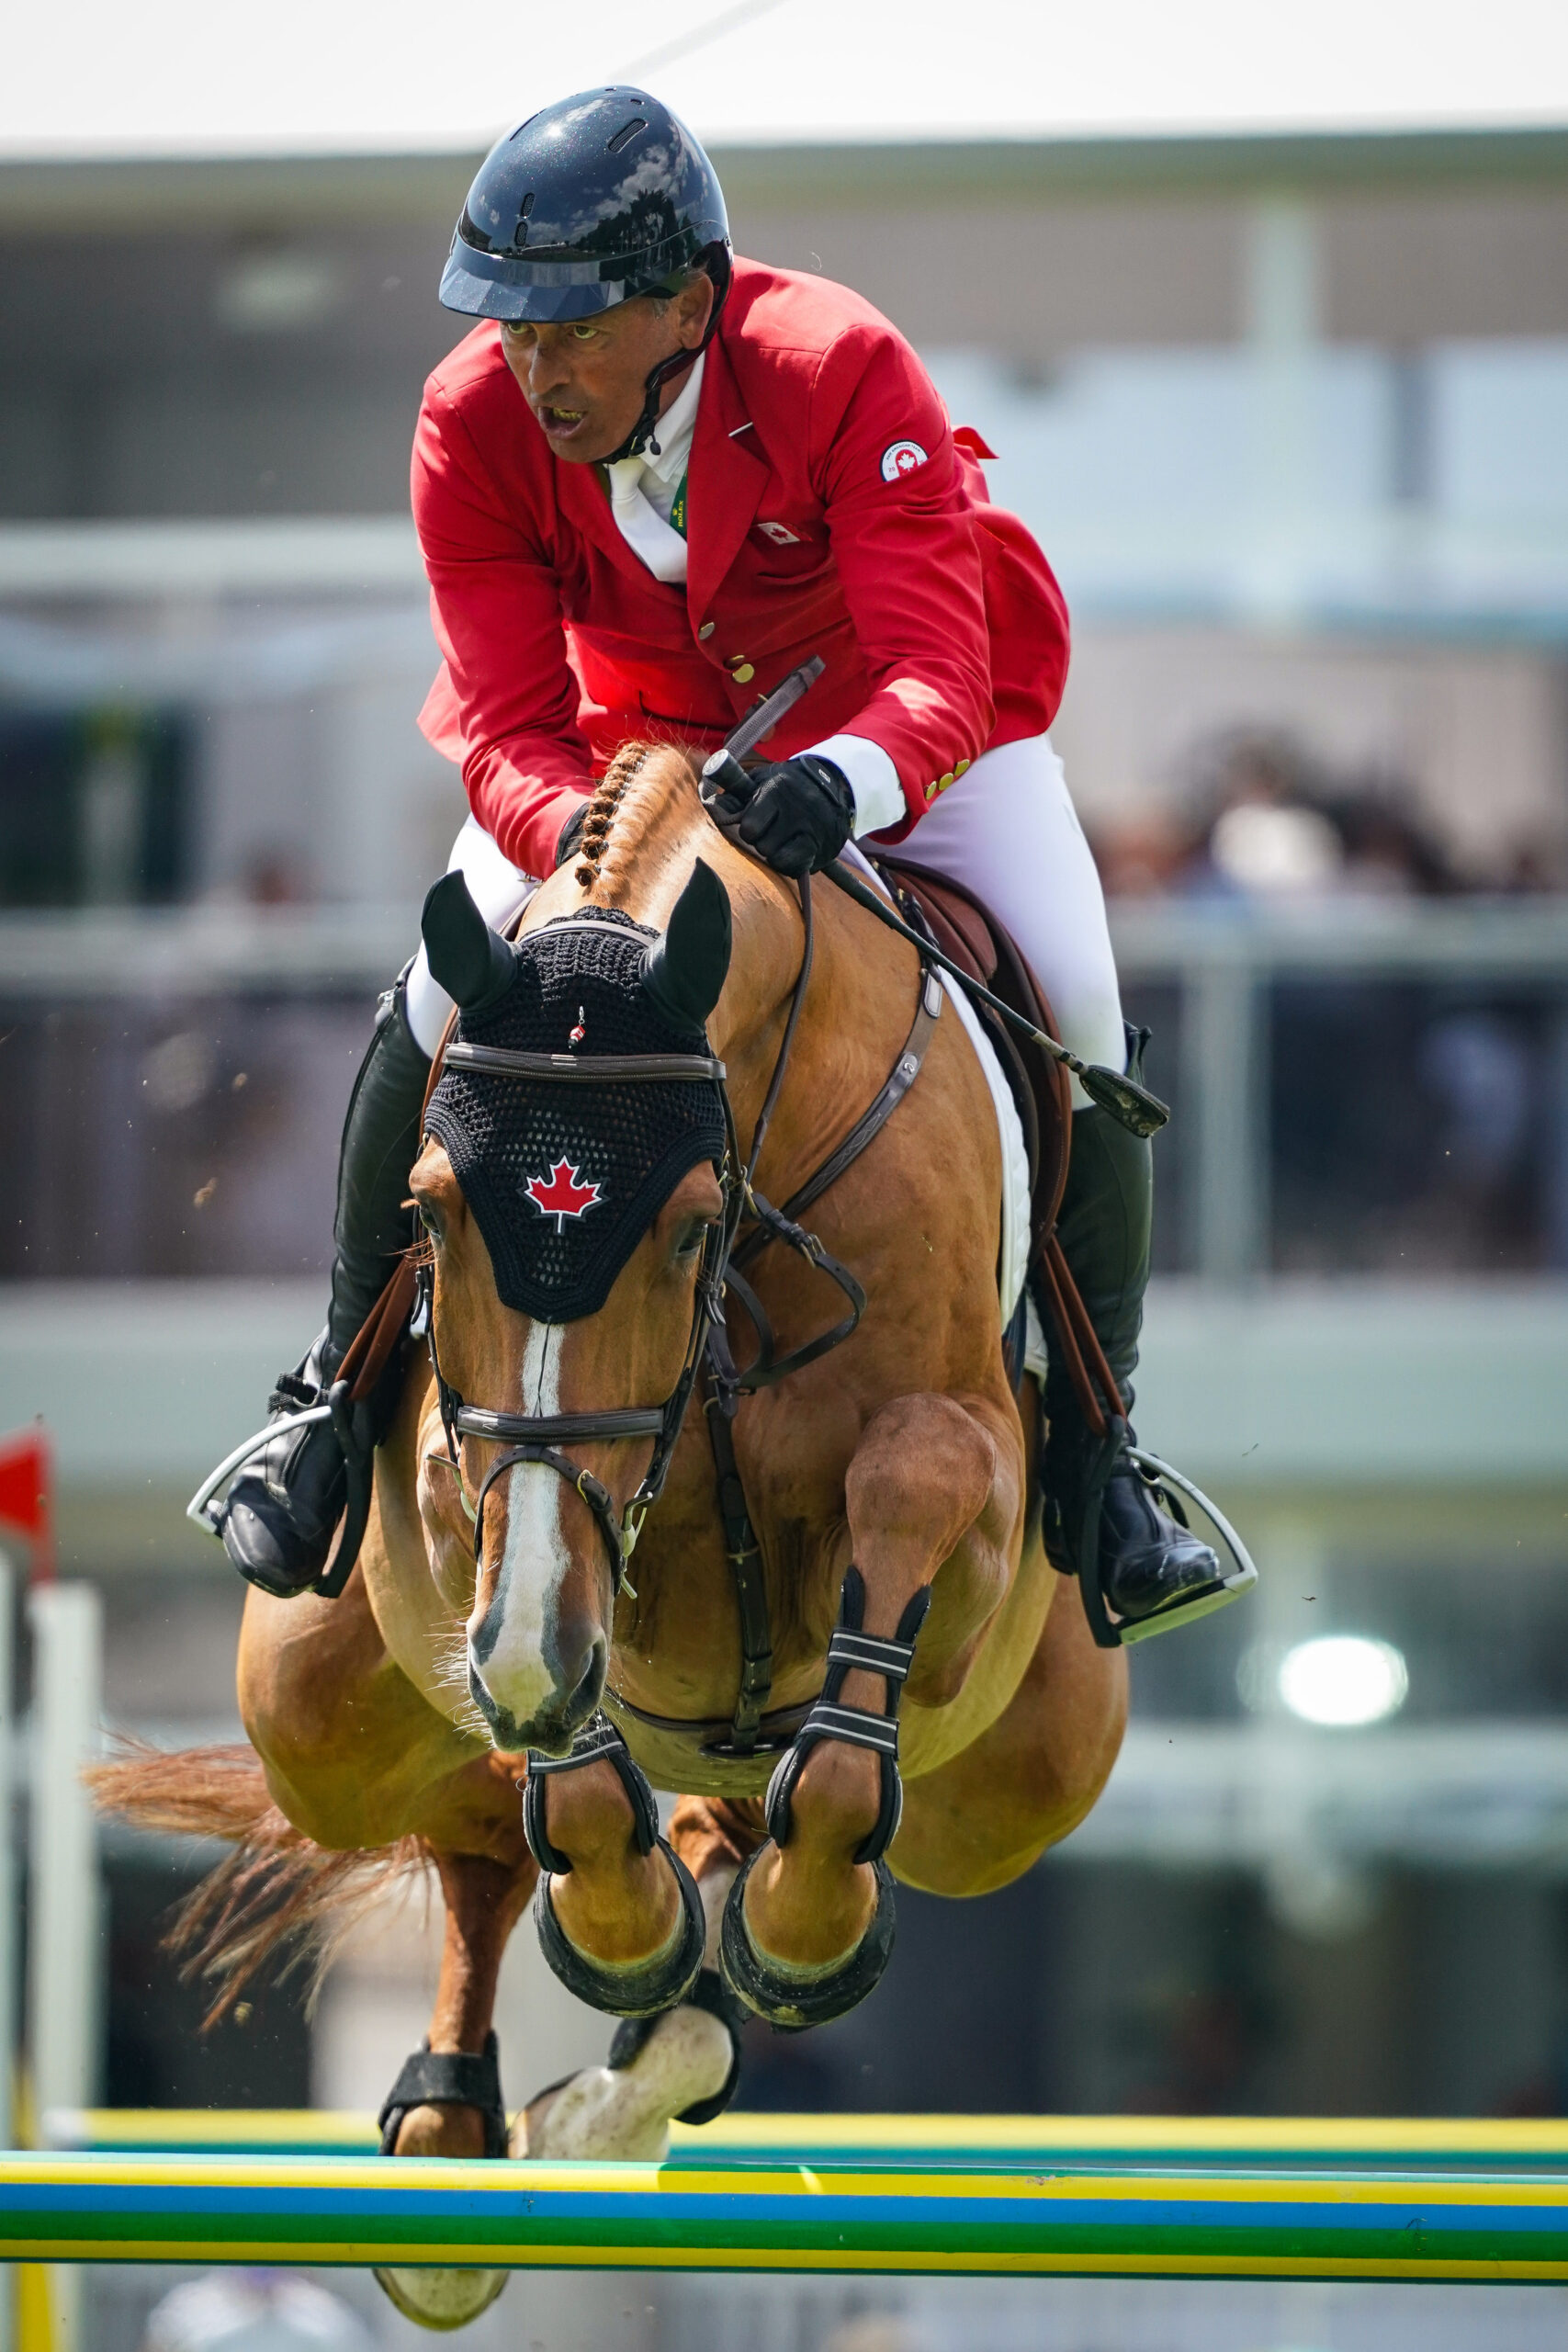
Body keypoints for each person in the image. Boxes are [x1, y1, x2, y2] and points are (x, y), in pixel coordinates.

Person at [217, 87, 1218, 1635]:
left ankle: (1106, 1453)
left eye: (574, 332)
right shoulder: (467, 418)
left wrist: (846, 778)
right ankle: (326, 1409)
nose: (534, 370)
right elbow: (502, 723)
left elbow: (939, 667)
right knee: (424, 1006)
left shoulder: (835, 364)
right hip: (623, 769)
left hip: (898, 745)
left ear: (690, 304)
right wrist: (618, 867)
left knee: (1078, 1005)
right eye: (516, 331)